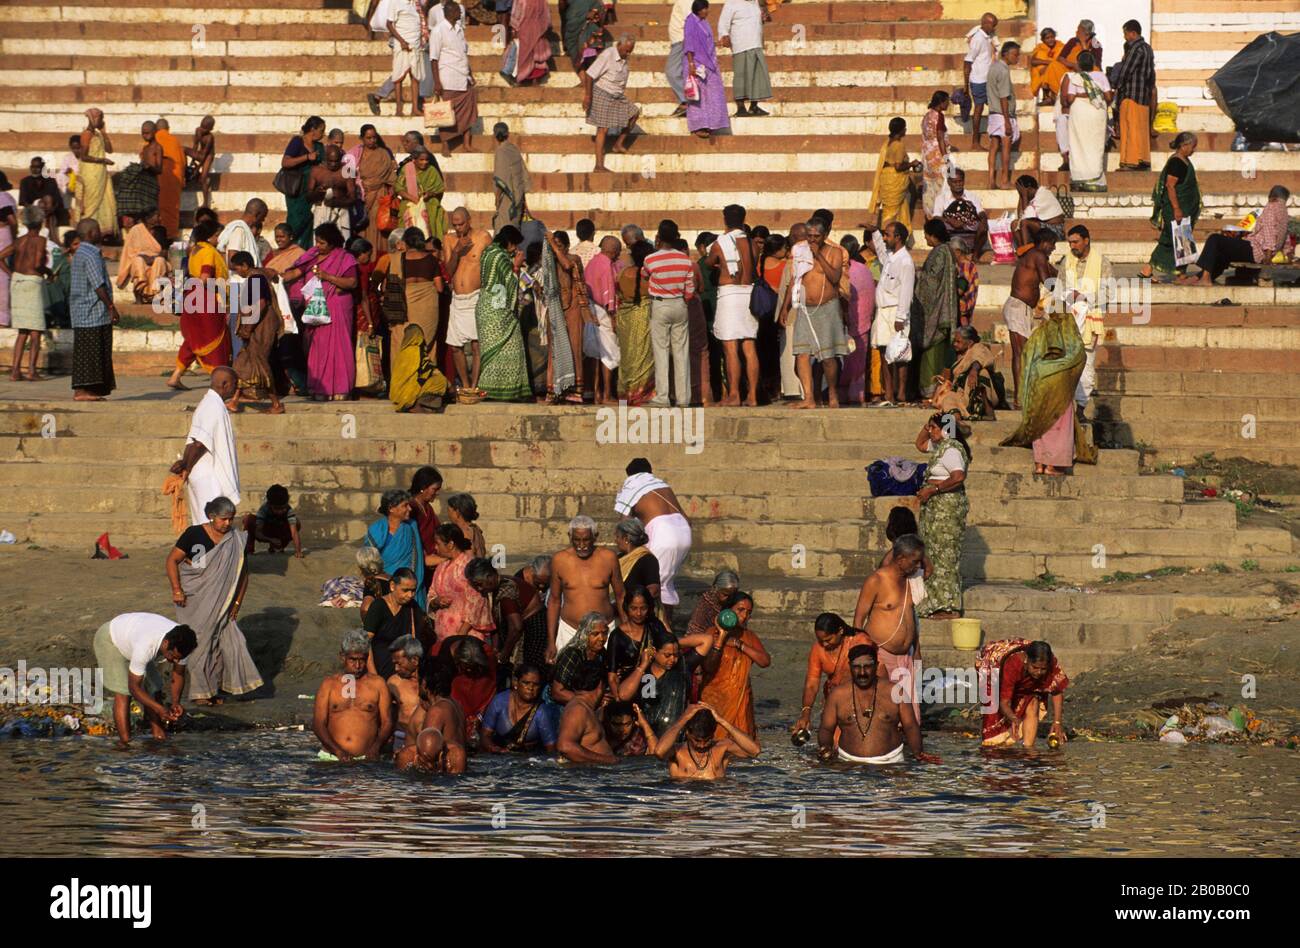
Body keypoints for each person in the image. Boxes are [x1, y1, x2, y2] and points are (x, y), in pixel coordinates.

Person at [165, 495, 264, 704]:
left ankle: (214, 690)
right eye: (223, 519)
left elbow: (243, 574)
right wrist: (177, 589)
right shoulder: (194, 534)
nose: (228, 523)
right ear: (211, 517)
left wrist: (236, 603)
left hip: (223, 603)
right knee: (198, 644)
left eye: (231, 519)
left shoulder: (236, 539)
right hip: (194, 600)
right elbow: (172, 560)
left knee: (223, 644)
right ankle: (201, 694)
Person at [999, 297, 1099, 474]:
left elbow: (1026, 359)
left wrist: (1025, 390)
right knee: (1058, 424)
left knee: (1039, 421)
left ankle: (1039, 464)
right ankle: (1051, 465)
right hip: (1058, 386)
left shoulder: (1039, 332)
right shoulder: (1068, 328)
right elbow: (1079, 356)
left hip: (1038, 383)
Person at [818, 643, 938, 765]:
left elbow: (910, 726)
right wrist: (825, 748)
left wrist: (918, 753)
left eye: (867, 666)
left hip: (891, 763)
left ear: (876, 666)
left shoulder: (896, 691)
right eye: (856, 667)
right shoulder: (837, 695)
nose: (862, 672)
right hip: (847, 763)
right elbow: (826, 728)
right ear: (850, 667)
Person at [280, 222, 359, 399]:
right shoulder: (312, 255)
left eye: (322, 243)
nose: (318, 245)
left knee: (339, 347)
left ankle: (340, 389)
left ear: (332, 243)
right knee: (317, 347)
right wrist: (276, 278)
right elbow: (295, 273)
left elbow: (352, 282)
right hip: (315, 309)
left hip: (337, 306)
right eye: (317, 241)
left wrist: (327, 277)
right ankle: (319, 389)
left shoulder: (344, 258)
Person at [852, 534, 926, 721]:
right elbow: (858, 620)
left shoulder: (912, 579)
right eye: (915, 561)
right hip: (881, 655)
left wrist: (916, 650)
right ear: (900, 559)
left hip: (906, 656)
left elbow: (912, 619)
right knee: (884, 712)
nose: (918, 566)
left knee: (909, 716)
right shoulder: (876, 580)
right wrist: (861, 653)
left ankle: (911, 749)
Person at [92, 613, 196, 745]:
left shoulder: (184, 644)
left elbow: (178, 674)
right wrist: (160, 709)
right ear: (165, 643)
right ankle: (125, 743)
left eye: (178, 658)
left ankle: (158, 734)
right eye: (171, 655)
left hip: (133, 639)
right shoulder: (146, 646)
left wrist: (176, 703)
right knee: (124, 692)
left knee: (155, 687)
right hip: (111, 640)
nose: (173, 660)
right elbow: (134, 688)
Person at [613, 458, 692, 622]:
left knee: (652, 583)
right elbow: (688, 520)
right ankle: (666, 624)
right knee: (665, 583)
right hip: (684, 532)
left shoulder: (634, 483)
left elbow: (624, 524)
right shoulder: (662, 485)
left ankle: (655, 630)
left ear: (630, 474)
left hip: (663, 533)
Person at [784, 217, 847, 408]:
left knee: (828, 357)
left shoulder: (835, 252)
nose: (811, 240)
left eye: (816, 236)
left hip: (827, 308)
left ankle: (833, 393)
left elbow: (835, 278)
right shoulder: (800, 251)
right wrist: (785, 307)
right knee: (801, 354)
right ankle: (809, 398)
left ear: (825, 235)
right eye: (809, 236)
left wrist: (818, 255)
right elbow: (795, 279)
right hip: (804, 308)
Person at [913, 413, 970, 617]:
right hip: (935, 510)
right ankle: (937, 602)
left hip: (946, 509)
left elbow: (958, 477)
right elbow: (919, 444)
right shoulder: (940, 447)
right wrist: (928, 424)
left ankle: (949, 606)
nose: (931, 432)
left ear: (946, 430)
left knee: (945, 557)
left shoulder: (952, 450)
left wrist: (934, 490)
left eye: (934, 428)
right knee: (934, 555)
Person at [168, 367, 240, 524]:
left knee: (206, 521)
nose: (236, 389)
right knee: (210, 523)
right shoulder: (212, 406)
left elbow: (195, 440)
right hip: (208, 476)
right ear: (225, 384)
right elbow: (199, 443)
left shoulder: (211, 403)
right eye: (235, 385)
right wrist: (185, 465)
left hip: (202, 473)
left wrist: (186, 465)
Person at [168, 218, 233, 389]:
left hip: (192, 297)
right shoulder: (208, 252)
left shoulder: (195, 251)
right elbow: (205, 278)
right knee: (215, 338)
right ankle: (219, 380)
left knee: (193, 338)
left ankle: (175, 376)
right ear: (211, 236)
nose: (219, 239)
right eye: (217, 235)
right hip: (206, 299)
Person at [547, 516, 625, 660]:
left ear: (595, 537)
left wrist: (627, 629)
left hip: (604, 630)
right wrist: (551, 640)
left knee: (607, 675)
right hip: (569, 629)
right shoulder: (559, 560)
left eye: (586, 540)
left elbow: (621, 596)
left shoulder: (608, 558)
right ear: (570, 537)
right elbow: (554, 600)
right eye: (577, 540)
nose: (581, 545)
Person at [704, 203, 758, 404]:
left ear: (725, 219)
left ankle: (734, 394)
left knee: (730, 347)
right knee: (749, 345)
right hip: (749, 292)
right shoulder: (752, 243)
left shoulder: (721, 242)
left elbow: (710, 261)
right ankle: (752, 396)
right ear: (743, 219)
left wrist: (717, 262)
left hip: (729, 294)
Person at [1182, 185, 1291, 285]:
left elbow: (1269, 230)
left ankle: (1205, 279)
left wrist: (1268, 257)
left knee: (1214, 239)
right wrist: (1287, 253)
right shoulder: (1284, 212)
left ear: (1272, 196)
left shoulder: (1271, 207)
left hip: (1256, 251)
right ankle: (1198, 277)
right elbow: (1286, 238)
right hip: (1262, 252)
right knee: (1222, 252)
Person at [313, 629, 394, 761]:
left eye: (362, 660)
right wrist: (338, 752)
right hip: (331, 757)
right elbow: (318, 724)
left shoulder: (378, 684)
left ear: (367, 658)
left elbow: (387, 722)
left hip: (367, 758)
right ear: (342, 657)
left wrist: (376, 747)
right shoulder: (328, 685)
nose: (357, 666)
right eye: (353, 660)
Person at [1055, 223, 1111, 411]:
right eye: (1070, 242)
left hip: (1090, 321)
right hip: (1069, 320)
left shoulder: (1102, 263)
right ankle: (1064, 406)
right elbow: (1059, 288)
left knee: (1086, 365)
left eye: (1076, 242)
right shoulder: (1066, 261)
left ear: (1086, 241)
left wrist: (1084, 297)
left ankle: (1080, 408)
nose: (1072, 246)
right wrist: (1067, 297)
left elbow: (1107, 294)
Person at [698, 597, 769, 739]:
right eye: (740, 610)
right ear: (727, 611)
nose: (744, 616)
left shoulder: (749, 636)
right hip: (714, 698)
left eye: (749, 612)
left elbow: (764, 661)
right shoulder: (712, 632)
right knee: (709, 742)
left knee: (741, 745)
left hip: (740, 699)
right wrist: (721, 640)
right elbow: (708, 667)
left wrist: (739, 644)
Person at [791, 613, 871, 737]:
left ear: (840, 631)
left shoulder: (860, 642)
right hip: (833, 701)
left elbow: (872, 675)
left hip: (861, 699)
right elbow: (812, 684)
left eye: (828, 640)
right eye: (820, 641)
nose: (825, 645)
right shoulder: (818, 649)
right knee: (829, 743)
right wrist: (805, 713)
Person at [643, 220, 696, 406]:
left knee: (661, 351)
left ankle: (663, 396)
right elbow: (690, 291)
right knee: (681, 352)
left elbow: (644, 275)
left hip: (660, 305)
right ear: (676, 237)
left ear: (658, 237)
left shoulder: (650, 259)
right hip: (680, 304)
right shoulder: (685, 260)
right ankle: (683, 398)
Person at [978, 639, 1069, 748]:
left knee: (1033, 701)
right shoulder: (1013, 665)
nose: (1039, 672)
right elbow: (1004, 702)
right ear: (1027, 661)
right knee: (993, 739)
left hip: (1024, 678)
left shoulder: (1050, 662)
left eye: (1043, 669)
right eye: (1035, 667)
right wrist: (1014, 719)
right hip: (993, 672)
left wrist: (1057, 722)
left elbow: (1057, 690)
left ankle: (1028, 749)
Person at [476, 225, 531, 401]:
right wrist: (515, 266)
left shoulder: (489, 252)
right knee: (511, 348)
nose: (515, 249)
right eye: (514, 245)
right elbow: (509, 282)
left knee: (502, 350)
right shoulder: (499, 257)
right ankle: (505, 391)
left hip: (488, 307)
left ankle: (494, 391)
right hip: (496, 309)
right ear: (508, 242)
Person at [1003, 229, 1057, 409]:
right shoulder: (1038, 255)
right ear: (1046, 242)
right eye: (1053, 244)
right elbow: (1048, 281)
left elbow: (1054, 273)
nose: (1054, 248)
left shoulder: (1035, 256)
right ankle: (1019, 399)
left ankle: (1025, 396)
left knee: (1026, 353)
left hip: (1024, 309)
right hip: (1018, 307)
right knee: (1021, 353)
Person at [865, 218, 914, 407]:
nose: (885, 238)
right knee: (885, 352)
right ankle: (889, 394)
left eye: (888, 235)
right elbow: (880, 250)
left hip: (896, 313)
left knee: (899, 354)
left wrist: (901, 317)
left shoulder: (906, 262)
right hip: (883, 312)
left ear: (898, 237)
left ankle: (900, 393)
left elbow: (906, 291)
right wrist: (875, 233)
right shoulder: (892, 257)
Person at [443, 207, 492, 392]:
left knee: (477, 344)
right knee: (455, 346)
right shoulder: (449, 240)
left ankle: (474, 385)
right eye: (454, 225)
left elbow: (491, 264)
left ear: (469, 220)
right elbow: (448, 271)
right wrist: (456, 251)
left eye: (461, 224)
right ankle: (464, 384)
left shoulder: (483, 237)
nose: (458, 228)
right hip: (458, 300)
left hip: (476, 297)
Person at [68, 219, 118, 400]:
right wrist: (111, 307)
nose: (101, 232)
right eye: (98, 230)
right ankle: (82, 391)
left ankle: (91, 390)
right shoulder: (90, 254)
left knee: (93, 353)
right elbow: (98, 284)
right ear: (91, 234)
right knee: (90, 354)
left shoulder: (81, 252)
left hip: (85, 311)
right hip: (92, 311)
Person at [1046, 20, 1104, 174]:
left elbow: (1094, 64)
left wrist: (1085, 45)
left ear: (1085, 32)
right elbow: (1061, 59)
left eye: (1078, 30)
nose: (1076, 31)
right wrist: (1073, 65)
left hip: (1087, 75)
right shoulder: (1073, 41)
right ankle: (1066, 158)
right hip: (1072, 72)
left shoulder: (1095, 44)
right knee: (1053, 66)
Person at [1144, 132, 1201, 281]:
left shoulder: (1184, 160)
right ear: (1184, 146)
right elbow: (1170, 186)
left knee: (1171, 240)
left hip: (1183, 209)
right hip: (1176, 209)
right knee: (1182, 241)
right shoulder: (1177, 163)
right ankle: (1180, 274)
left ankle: (1148, 269)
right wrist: (1177, 208)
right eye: (1193, 146)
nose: (1194, 150)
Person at [227, 262, 284, 413]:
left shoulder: (255, 278)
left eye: (237, 267)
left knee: (259, 364)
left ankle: (276, 403)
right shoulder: (259, 276)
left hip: (261, 326)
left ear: (244, 265)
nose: (236, 271)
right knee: (242, 362)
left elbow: (261, 304)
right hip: (258, 325)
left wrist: (248, 328)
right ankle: (234, 400)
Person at [914, 219, 959, 399]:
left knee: (932, 352)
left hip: (937, 312)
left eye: (926, 235)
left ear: (933, 235)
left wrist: (917, 275)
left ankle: (931, 391)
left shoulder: (940, 252)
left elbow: (931, 282)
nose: (925, 238)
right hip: (943, 309)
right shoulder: (945, 250)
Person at [655, 704, 759, 779]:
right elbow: (659, 752)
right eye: (697, 740)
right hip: (685, 801)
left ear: (713, 735)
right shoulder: (677, 752)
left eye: (707, 740)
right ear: (687, 733)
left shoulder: (722, 748)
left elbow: (754, 751)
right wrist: (683, 719)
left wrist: (721, 720)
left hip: (715, 802)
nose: (702, 746)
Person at [585, 35, 641, 171]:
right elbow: (589, 74)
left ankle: (618, 144)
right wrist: (587, 96)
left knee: (634, 113)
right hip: (602, 93)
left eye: (630, 52)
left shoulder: (624, 59)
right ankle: (598, 165)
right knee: (602, 129)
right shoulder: (608, 54)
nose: (627, 54)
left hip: (617, 96)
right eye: (626, 51)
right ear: (619, 45)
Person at [429, 2, 478, 156]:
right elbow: (434, 59)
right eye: (457, 10)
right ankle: (445, 144)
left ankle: (466, 143)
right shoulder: (438, 31)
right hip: (447, 76)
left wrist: (471, 73)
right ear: (449, 12)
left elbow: (464, 54)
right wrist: (437, 81)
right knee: (446, 112)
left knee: (468, 110)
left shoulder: (460, 30)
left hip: (463, 76)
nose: (460, 13)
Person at [364, 567, 430, 679]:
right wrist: (373, 674)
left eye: (413, 590)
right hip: (380, 664)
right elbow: (366, 642)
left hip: (403, 666)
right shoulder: (378, 606)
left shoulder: (412, 607)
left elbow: (416, 638)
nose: (410, 595)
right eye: (405, 590)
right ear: (392, 586)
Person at [366, 489, 427, 609]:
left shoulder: (411, 527)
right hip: (384, 587)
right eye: (405, 505)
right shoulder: (376, 530)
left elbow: (417, 558)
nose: (409, 508)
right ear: (391, 508)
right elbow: (367, 563)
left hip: (410, 588)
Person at [8, 205, 50, 381]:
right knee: (35, 330)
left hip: (17, 282)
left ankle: (15, 371)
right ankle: (32, 371)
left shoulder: (19, 240)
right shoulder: (40, 240)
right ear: (40, 223)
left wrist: (11, 273)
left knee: (22, 331)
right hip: (32, 282)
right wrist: (48, 271)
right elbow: (38, 261)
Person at [429, 523, 491, 640]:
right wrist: (436, 601)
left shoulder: (469, 565)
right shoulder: (441, 567)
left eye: (438, 544)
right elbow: (432, 592)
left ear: (451, 544)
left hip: (466, 634)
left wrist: (462, 633)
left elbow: (477, 600)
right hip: (443, 631)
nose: (435, 548)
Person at [1061, 50, 1112, 193]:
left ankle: (1079, 179)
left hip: (1079, 113)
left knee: (1078, 144)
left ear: (1079, 64)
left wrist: (1082, 93)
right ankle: (1095, 179)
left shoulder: (1075, 78)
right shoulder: (1101, 76)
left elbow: (1069, 99)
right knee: (1095, 145)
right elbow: (1108, 97)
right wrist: (1094, 94)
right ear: (1093, 64)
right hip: (1097, 113)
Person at [480, 664, 559, 752]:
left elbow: (551, 748)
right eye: (526, 683)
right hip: (498, 758)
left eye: (535, 684)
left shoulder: (541, 712)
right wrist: (493, 748)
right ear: (516, 682)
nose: (530, 688)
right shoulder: (499, 701)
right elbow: (485, 735)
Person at [614, 239, 656, 404]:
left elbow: (618, 294)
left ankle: (625, 397)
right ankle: (641, 395)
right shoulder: (649, 275)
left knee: (627, 357)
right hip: (643, 315)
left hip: (625, 318)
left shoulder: (622, 273)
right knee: (644, 356)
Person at [1111, 20, 1156, 171]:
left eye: (1125, 33)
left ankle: (1131, 161)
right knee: (1141, 129)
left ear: (1133, 33)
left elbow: (1126, 71)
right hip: (1143, 96)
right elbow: (1151, 74)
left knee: (1129, 129)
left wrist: (1117, 85)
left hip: (1130, 94)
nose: (1125, 37)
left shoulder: (1135, 48)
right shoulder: (1148, 49)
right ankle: (1143, 160)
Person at [583, 235, 623, 404]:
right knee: (608, 352)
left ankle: (596, 393)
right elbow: (609, 295)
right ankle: (607, 394)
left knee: (596, 353)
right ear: (613, 251)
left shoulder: (593, 262)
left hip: (591, 309)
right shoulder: (606, 265)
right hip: (603, 311)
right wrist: (613, 317)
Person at [835, 235, 874, 404]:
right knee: (858, 360)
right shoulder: (864, 268)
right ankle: (856, 395)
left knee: (845, 361)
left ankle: (844, 395)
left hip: (846, 321)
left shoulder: (842, 270)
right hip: (863, 321)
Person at [683, 1, 730, 142]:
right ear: (698, 10)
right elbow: (689, 44)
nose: (707, 11)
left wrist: (719, 43)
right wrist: (691, 64)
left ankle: (712, 124)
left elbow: (707, 42)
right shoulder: (690, 22)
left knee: (714, 94)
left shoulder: (705, 22)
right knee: (698, 96)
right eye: (705, 9)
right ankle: (698, 126)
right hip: (696, 63)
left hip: (710, 64)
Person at [555, 660, 618, 763]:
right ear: (600, 685)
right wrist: (607, 759)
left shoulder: (585, 708)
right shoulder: (578, 709)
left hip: (594, 775)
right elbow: (565, 746)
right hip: (586, 776)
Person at [934, 324, 1001, 419]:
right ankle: (958, 422)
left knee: (983, 373)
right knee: (948, 400)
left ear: (969, 343)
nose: (955, 344)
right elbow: (946, 377)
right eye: (954, 341)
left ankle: (988, 411)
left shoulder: (978, 348)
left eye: (958, 341)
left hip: (980, 395)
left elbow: (981, 358)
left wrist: (974, 371)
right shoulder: (952, 352)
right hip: (960, 395)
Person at [718, 0, 771, 117]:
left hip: (756, 44)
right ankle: (741, 108)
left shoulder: (756, 2)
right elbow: (723, 23)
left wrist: (764, 17)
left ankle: (754, 106)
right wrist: (724, 35)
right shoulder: (731, 3)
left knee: (757, 76)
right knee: (741, 77)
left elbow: (759, 19)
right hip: (740, 45)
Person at [281, 117, 326, 249]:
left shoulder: (319, 146)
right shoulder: (297, 142)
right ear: (313, 129)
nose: (323, 134)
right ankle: (289, 251)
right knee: (296, 222)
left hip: (312, 191)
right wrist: (306, 157)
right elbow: (285, 162)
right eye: (321, 130)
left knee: (309, 223)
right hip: (296, 190)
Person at [551, 611, 611, 703]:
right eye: (595, 634)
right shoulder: (572, 654)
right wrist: (592, 700)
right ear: (585, 635)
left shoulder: (602, 654)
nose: (602, 638)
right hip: (560, 705)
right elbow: (557, 692)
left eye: (604, 633)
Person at [77, 108, 117, 239]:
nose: (102, 121)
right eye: (101, 118)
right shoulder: (86, 134)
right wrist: (102, 160)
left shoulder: (98, 134)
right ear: (94, 119)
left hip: (100, 172)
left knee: (101, 203)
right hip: (91, 173)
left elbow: (110, 150)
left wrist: (104, 133)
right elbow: (83, 156)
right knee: (90, 204)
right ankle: (84, 231)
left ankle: (98, 233)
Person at [985, 42, 1020, 191]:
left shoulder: (993, 67)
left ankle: (991, 180)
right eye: (1015, 54)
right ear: (1005, 54)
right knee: (1005, 147)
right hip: (1002, 114)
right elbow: (1004, 98)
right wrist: (1007, 121)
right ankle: (1005, 180)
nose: (1017, 57)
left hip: (993, 113)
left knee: (993, 147)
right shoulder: (1003, 71)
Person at [114, 121, 162, 230]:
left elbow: (159, 169)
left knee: (151, 213)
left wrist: (149, 167)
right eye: (143, 133)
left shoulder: (158, 147)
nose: (145, 136)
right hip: (141, 186)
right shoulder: (145, 148)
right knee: (139, 213)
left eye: (147, 133)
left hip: (151, 184)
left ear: (154, 132)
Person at [962, 12, 998, 148]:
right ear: (986, 24)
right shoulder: (978, 39)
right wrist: (966, 86)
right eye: (993, 25)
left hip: (988, 79)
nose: (994, 28)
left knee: (996, 107)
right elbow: (967, 62)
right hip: (978, 80)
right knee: (979, 109)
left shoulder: (988, 37)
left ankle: (996, 139)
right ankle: (975, 142)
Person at [873, 117, 915, 228]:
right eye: (904, 128)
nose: (905, 130)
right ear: (901, 130)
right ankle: (886, 236)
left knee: (894, 210)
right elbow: (898, 166)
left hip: (886, 177)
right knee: (890, 214)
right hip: (895, 180)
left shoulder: (887, 142)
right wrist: (912, 164)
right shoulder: (899, 145)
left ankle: (898, 236)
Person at [241, 484, 303, 557]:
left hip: (280, 532)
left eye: (283, 508)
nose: (281, 511)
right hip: (266, 533)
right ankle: (249, 550)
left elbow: (294, 533)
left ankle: (278, 547)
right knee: (248, 519)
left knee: (296, 522)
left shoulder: (289, 510)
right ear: (270, 505)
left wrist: (298, 551)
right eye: (277, 509)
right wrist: (270, 539)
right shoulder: (264, 510)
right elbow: (258, 532)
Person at [386, 634, 425, 747]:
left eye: (399, 663)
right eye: (394, 664)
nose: (396, 668)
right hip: (401, 738)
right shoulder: (394, 683)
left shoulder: (431, 682)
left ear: (415, 660)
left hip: (427, 739)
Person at [920, 91, 954, 219]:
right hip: (938, 154)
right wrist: (947, 160)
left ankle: (930, 215)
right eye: (947, 101)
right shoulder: (939, 116)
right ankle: (942, 214)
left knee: (930, 188)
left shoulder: (927, 115)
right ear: (941, 103)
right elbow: (940, 138)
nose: (948, 104)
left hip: (927, 155)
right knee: (946, 182)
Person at [491, 123, 530, 232]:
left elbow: (501, 178)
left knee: (504, 231)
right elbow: (522, 173)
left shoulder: (500, 151)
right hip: (518, 197)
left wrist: (497, 199)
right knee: (514, 229)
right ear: (507, 134)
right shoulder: (514, 149)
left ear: (494, 135)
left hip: (507, 199)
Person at [614, 521, 661, 611]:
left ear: (626, 538)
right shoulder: (619, 558)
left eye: (617, 537)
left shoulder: (647, 559)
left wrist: (634, 606)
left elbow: (653, 590)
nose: (615, 541)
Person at [153, 118, 186, 240]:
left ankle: (157, 235)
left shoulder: (153, 139)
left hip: (157, 178)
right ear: (168, 129)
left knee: (158, 207)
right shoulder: (175, 141)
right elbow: (182, 162)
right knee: (172, 207)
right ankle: (171, 235)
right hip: (174, 179)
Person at [1013, 174, 1066, 248]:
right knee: (1014, 224)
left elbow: (1026, 217)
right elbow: (1020, 217)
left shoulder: (1043, 194)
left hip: (1055, 231)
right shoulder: (1030, 198)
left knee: (1024, 223)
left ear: (1029, 189)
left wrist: (1025, 195)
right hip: (1042, 228)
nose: (1022, 194)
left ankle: (1027, 252)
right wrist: (1021, 196)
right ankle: (1023, 251)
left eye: (1022, 192)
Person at [510, 0, 552, 84]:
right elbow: (547, 18)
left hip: (525, 29)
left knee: (524, 54)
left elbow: (516, 14)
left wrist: (514, 28)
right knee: (536, 52)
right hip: (539, 29)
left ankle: (524, 77)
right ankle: (535, 79)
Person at [665, 0, 694, 116]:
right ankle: (687, 101)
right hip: (679, 41)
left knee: (671, 72)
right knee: (680, 72)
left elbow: (691, 21)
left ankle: (686, 101)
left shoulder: (686, 2)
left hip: (681, 41)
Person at [184, 115, 217, 210]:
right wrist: (191, 163)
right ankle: (185, 170)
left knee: (203, 178)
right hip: (200, 153)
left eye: (205, 129)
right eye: (201, 126)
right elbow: (195, 145)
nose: (202, 130)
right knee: (183, 149)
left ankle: (205, 203)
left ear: (210, 129)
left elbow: (205, 155)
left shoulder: (210, 138)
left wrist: (197, 168)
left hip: (208, 157)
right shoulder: (197, 131)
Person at [1029, 27, 1063, 106]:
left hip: (1058, 71)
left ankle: (1051, 97)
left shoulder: (1060, 46)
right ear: (1043, 40)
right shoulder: (1040, 48)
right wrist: (1049, 63)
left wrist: (1051, 65)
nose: (1050, 40)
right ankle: (1047, 97)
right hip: (1045, 70)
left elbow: (1063, 60)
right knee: (1038, 66)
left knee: (1050, 70)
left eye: (1052, 37)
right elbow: (1033, 61)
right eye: (1047, 38)